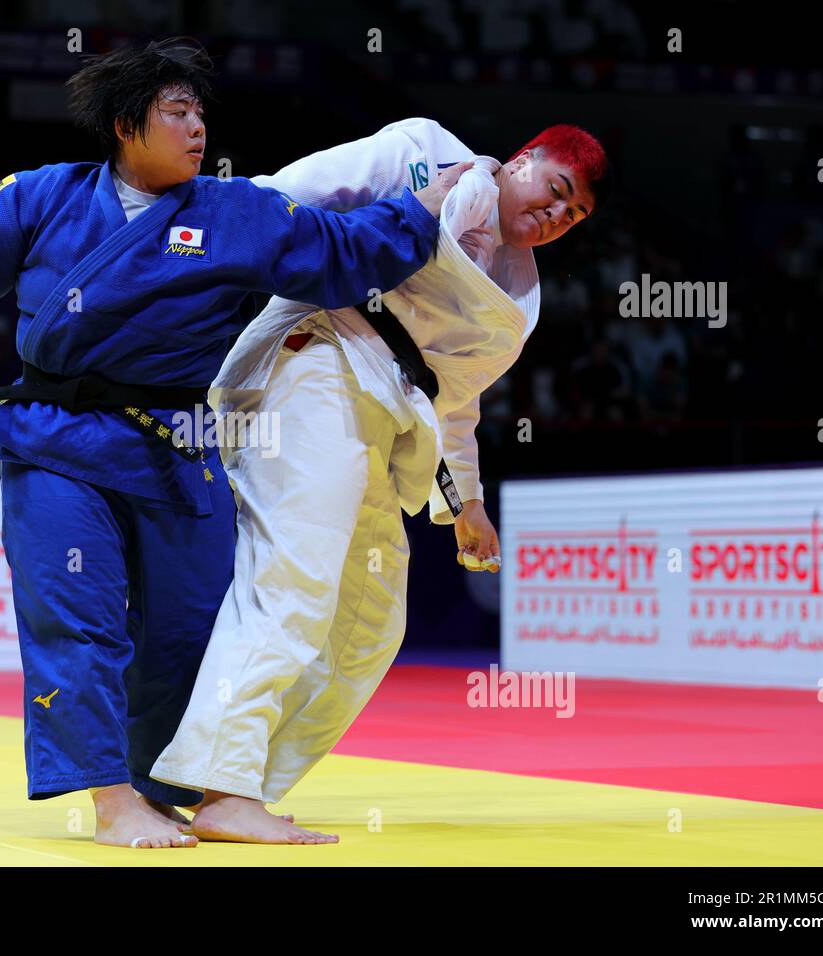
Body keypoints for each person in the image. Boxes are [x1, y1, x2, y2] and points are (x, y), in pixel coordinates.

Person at [0, 42, 461, 849]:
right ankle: (110, 800)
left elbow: (341, 253)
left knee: (191, 627)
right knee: (80, 617)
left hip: (179, 444)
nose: (198, 126)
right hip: (58, 439)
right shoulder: (43, 195)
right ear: (123, 125)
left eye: (201, 111)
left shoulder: (236, 211)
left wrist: (423, 209)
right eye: (177, 112)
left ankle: (164, 787)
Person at [151, 118, 611, 843]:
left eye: (574, 213)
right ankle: (223, 785)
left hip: (394, 412)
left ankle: (242, 780)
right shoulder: (425, 155)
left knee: (370, 624)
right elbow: (290, 193)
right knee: (294, 578)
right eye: (556, 189)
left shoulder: (522, 301)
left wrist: (469, 503)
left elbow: (454, 400)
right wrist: (192, 250)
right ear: (521, 161)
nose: (558, 215)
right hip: (319, 357)